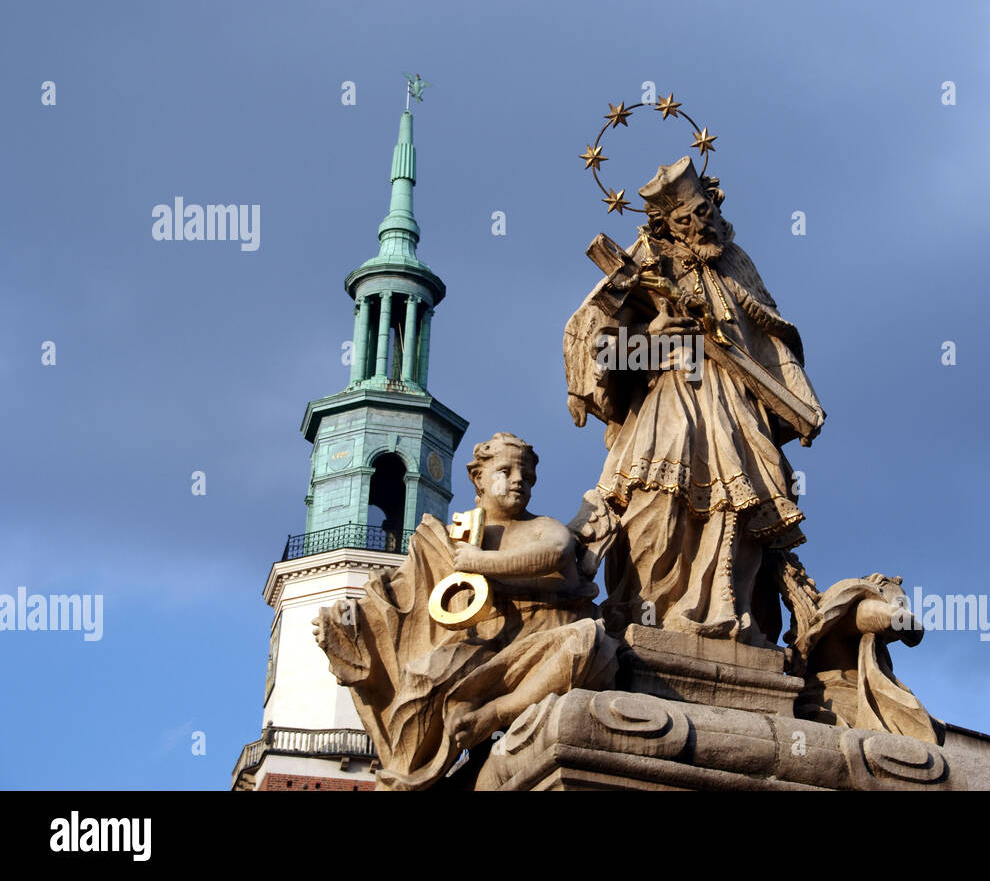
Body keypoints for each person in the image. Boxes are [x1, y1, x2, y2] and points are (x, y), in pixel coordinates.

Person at [564, 157, 825, 646]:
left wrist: (797, 399)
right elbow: (597, 341)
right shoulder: (642, 257)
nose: (699, 224)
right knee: (657, 500)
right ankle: (641, 613)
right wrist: (654, 334)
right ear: (666, 223)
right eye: (684, 219)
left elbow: (769, 335)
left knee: (743, 502)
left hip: (735, 397)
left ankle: (724, 611)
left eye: (703, 210)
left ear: (714, 202)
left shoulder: (735, 260)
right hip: (670, 393)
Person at [313, 432, 618, 789]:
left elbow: (557, 552)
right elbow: (398, 599)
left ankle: (494, 714)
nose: (518, 480)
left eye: (527, 476)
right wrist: (347, 623)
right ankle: (406, 774)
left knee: (586, 643)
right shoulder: (450, 538)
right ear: (478, 478)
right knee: (425, 677)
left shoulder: (540, 527)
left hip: (539, 641)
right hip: (478, 645)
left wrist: (484, 562)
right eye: (505, 471)